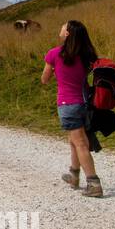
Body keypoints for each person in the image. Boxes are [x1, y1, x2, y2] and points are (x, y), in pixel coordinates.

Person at [41, 20, 103, 198]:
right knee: (74, 141)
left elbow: (44, 80)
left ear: (67, 34)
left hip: (68, 104)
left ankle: (93, 184)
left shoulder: (54, 53)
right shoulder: (87, 55)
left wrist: (53, 69)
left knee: (81, 144)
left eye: (63, 27)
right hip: (85, 103)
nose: (60, 28)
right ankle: (74, 175)